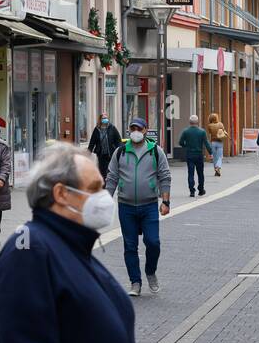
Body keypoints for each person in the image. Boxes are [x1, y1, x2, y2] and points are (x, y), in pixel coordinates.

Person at [0, 143, 136, 343]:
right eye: (94, 188)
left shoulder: (73, 247)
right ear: (61, 194)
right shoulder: (29, 252)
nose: (104, 197)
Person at [104, 116, 171, 297]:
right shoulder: (120, 152)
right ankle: (135, 282)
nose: (135, 132)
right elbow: (112, 178)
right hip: (126, 206)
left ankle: (150, 271)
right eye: (132, 128)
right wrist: (104, 201)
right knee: (130, 246)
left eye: (138, 129)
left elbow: (165, 177)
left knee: (153, 242)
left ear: (145, 131)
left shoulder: (155, 152)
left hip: (149, 205)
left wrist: (165, 201)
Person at [178, 114, 209, 197]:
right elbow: (206, 143)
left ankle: (192, 191)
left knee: (190, 173)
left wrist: (186, 146)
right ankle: (201, 189)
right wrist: (211, 152)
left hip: (189, 154)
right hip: (199, 155)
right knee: (200, 173)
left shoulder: (185, 131)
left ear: (189, 122)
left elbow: (180, 142)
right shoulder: (202, 132)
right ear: (197, 122)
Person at [87, 112, 123, 180]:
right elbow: (92, 142)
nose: (105, 119)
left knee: (110, 170)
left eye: (106, 118)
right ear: (100, 119)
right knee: (102, 171)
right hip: (101, 154)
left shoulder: (112, 128)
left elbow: (118, 140)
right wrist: (88, 153)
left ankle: (110, 182)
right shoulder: (97, 129)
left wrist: (119, 150)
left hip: (111, 154)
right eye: (103, 118)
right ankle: (104, 185)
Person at [205, 112, 228, 176]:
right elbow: (223, 131)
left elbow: (210, 133)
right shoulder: (220, 124)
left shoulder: (209, 125)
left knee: (214, 157)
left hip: (213, 142)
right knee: (220, 157)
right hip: (220, 142)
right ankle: (218, 167)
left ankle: (216, 170)